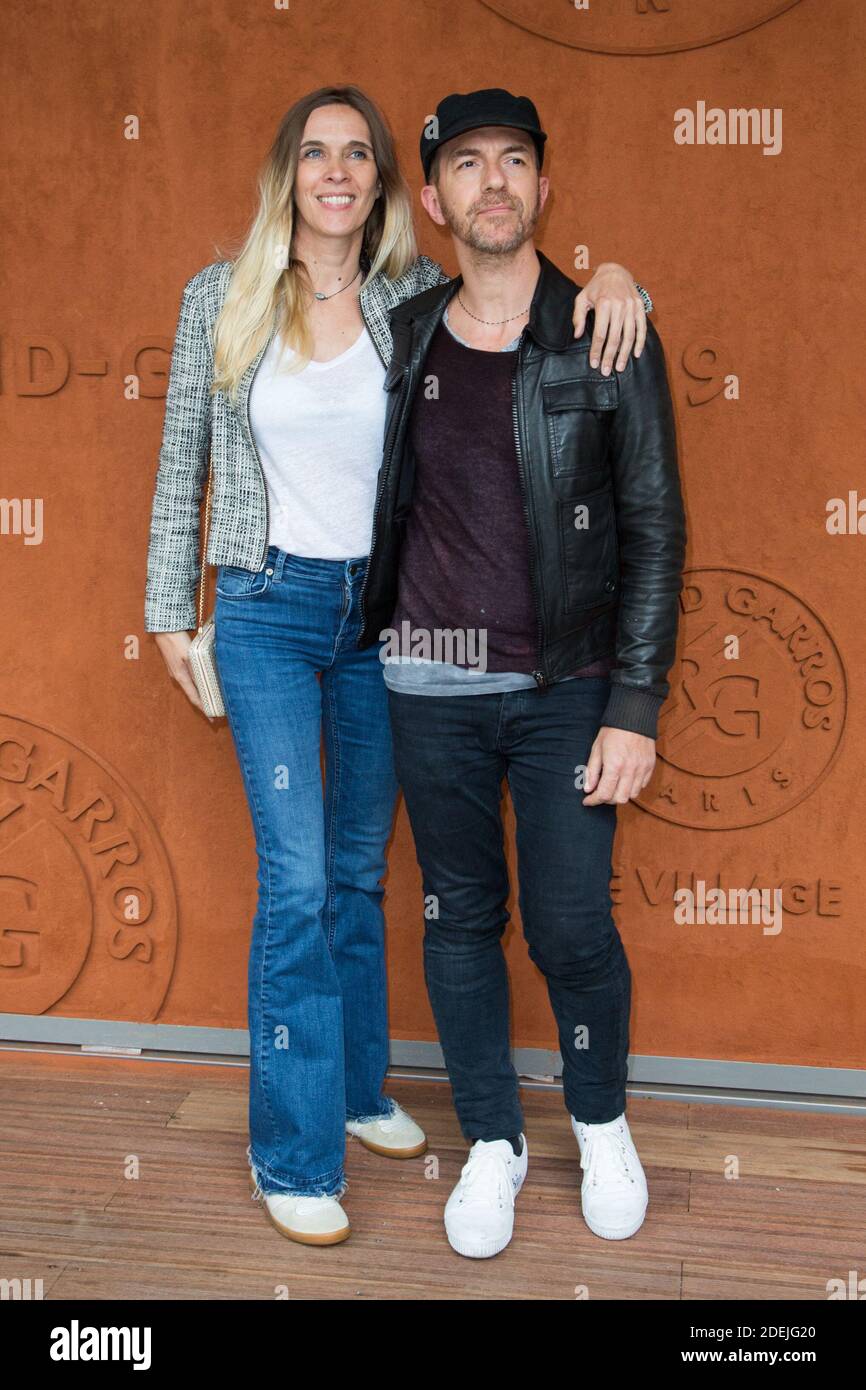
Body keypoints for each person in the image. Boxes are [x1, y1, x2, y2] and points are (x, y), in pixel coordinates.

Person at [144, 83, 653, 1247]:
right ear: (289, 171)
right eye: (314, 152)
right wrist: (172, 608)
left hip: (387, 619)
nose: (335, 171)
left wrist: (616, 274)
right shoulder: (217, 299)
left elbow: (529, 293)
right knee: (299, 878)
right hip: (269, 606)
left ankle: (363, 1090)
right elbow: (182, 454)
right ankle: (292, 1152)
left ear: (386, 186)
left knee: (364, 869)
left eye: (356, 155)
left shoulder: (413, 298)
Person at [361, 88, 686, 1258]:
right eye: (465, 165)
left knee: (566, 928)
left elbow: (652, 523)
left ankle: (598, 1121)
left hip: (566, 692)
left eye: (513, 163)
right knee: (456, 924)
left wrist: (634, 703)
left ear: (543, 188)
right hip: (426, 689)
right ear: (437, 195)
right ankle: (490, 1141)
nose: (490, 182)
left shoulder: (605, 331)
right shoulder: (401, 337)